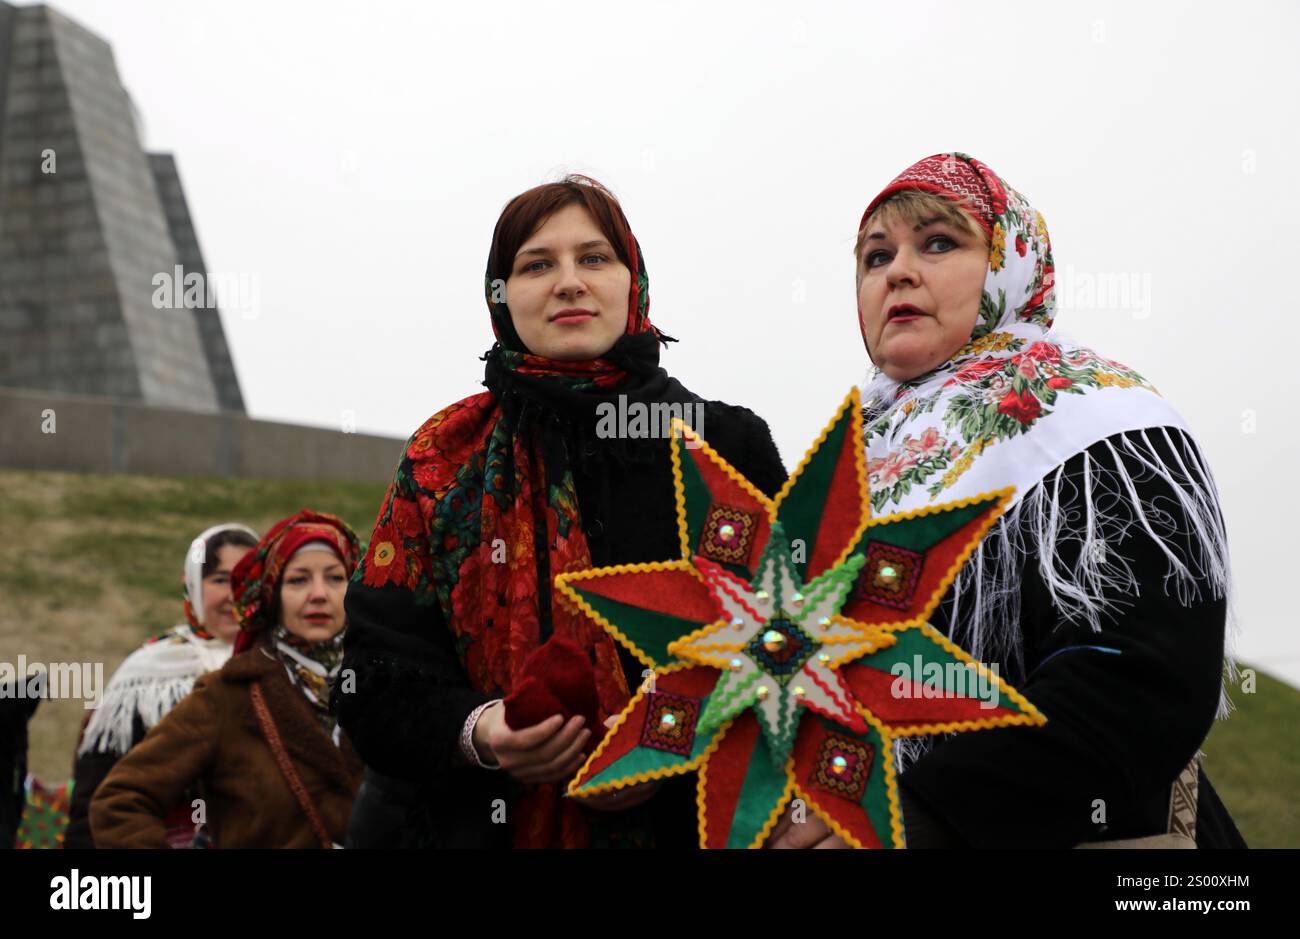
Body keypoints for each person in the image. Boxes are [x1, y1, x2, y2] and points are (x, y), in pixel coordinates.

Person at [767, 152, 1243, 849]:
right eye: (875, 256)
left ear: (1010, 263)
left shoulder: (1095, 418)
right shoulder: (845, 466)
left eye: (938, 243)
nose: (897, 270)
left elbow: (1140, 680)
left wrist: (917, 815)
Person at [336, 175, 787, 848]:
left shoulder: (724, 446)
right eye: (536, 264)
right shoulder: (444, 459)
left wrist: (664, 746)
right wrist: (482, 730)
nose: (569, 282)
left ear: (633, 280)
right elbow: (370, 684)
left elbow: (798, 651)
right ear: (501, 296)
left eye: (594, 258)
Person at [90, 510, 363, 848]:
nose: (319, 593)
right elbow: (119, 800)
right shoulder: (228, 694)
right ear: (272, 595)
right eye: (298, 580)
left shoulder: (383, 688)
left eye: (336, 577)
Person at [65, 522, 258, 848]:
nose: (232, 594)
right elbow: (96, 795)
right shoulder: (145, 679)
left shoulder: (289, 669)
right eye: (220, 579)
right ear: (194, 585)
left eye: (245, 580)